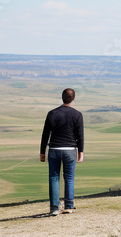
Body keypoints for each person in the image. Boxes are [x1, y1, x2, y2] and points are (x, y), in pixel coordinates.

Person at [39, 88, 85, 216]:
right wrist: (81, 152)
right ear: (73, 98)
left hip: (54, 150)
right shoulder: (77, 114)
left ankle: (54, 208)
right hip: (70, 150)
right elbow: (80, 135)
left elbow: (45, 134)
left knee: (54, 178)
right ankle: (69, 206)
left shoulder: (52, 113)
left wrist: (42, 152)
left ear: (62, 97)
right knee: (69, 178)